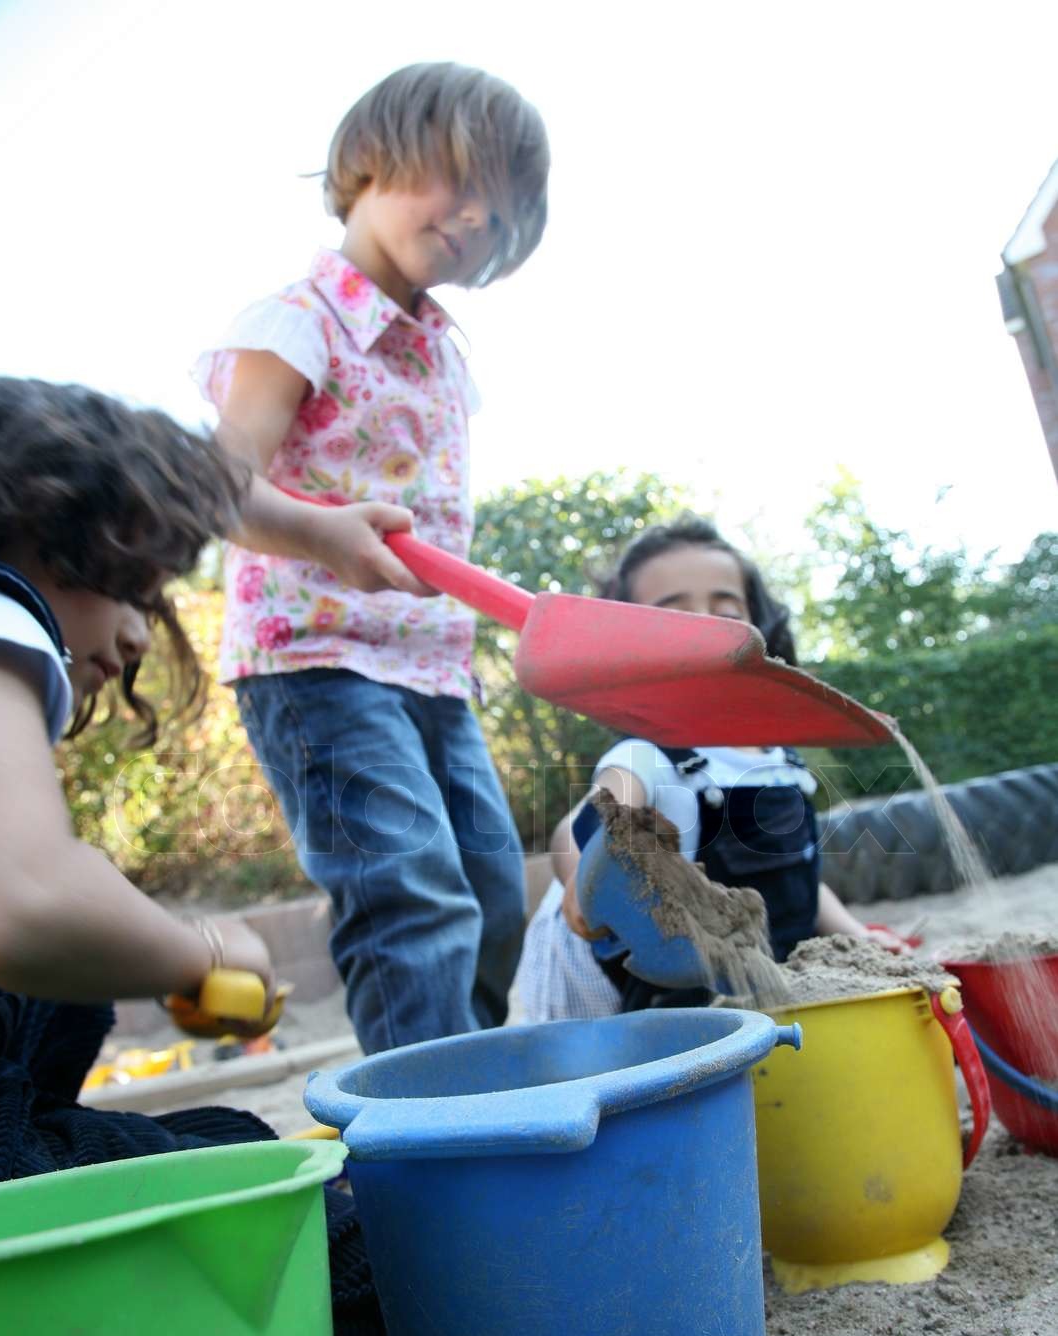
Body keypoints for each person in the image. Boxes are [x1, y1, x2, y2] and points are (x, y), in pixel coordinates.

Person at [0, 377, 393, 1336]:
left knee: (225, 1145)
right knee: (345, 1256)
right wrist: (200, 950)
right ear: (50, 526)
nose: (132, 641)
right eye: (136, 592)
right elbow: (25, 899)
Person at [194, 62, 550, 1055]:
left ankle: (465, 1089)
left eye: (505, 206)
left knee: (488, 891)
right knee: (408, 890)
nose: (478, 216)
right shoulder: (300, 319)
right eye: (459, 178)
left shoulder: (441, 351)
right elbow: (218, 484)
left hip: (430, 669)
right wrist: (323, 532)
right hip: (317, 659)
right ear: (372, 160)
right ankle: (425, 1127)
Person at [517, 513, 911, 1021]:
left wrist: (859, 938)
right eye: (673, 616)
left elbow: (800, 887)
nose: (703, 629)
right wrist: (582, 880)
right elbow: (583, 824)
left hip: (773, 990)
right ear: (626, 645)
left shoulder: (780, 760)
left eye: (725, 612)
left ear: (760, 633)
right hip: (672, 1003)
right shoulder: (651, 754)